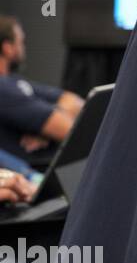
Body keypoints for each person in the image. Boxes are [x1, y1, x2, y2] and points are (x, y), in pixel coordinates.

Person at [0, 16, 83, 159]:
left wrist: (46, 131)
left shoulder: (15, 81)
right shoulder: (3, 89)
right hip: (32, 174)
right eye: (21, 42)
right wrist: (52, 125)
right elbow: (72, 131)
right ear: (7, 48)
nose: (23, 48)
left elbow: (76, 102)